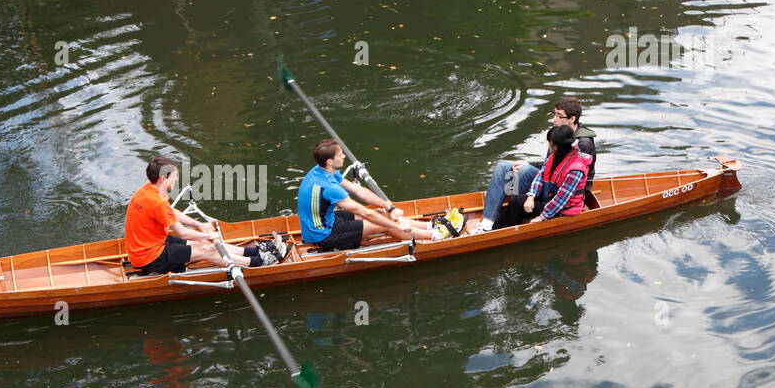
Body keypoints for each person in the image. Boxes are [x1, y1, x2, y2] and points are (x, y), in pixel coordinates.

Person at [126, 157, 288, 275]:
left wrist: (198, 225)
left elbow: (171, 212)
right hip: (150, 258)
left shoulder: (149, 190)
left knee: (204, 241)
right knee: (206, 248)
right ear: (163, 179)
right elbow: (182, 233)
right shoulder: (157, 201)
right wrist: (210, 234)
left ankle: (252, 251)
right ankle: (258, 262)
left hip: (152, 245)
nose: (176, 178)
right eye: (174, 176)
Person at [476, 97, 597, 232]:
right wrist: (530, 170)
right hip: (555, 178)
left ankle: (517, 215)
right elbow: (547, 166)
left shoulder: (581, 147)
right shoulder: (558, 135)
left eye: (559, 115)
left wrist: (542, 216)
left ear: (572, 119)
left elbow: (565, 192)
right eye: (554, 114)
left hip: (567, 189)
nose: (554, 119)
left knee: (524, 173)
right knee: (503, 167)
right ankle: (488, 220)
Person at [297, 139, 442, 250]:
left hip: (328, 221)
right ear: (330, 161)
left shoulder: (322, 169)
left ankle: (429, 226)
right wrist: (394, 225)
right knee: (384, 225)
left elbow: (358, 190)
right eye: (340, 154)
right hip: (323, 235)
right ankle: (436, 236)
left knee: (380, 212)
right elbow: (364, 212)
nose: (344, 156)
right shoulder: (329, 187)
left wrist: (388, 206)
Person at [493, 125, 591, 229]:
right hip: (549, 199)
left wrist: (542, 217)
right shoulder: (556, 155)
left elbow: (561, 200)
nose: (548, 145)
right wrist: (531, 196)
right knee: (520, 200)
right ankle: (500, 227)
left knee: (518, 202)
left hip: (562, 211)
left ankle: (495, 232)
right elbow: (540, 176)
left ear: (556, 146)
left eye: (550, 142)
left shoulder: (576, 170)